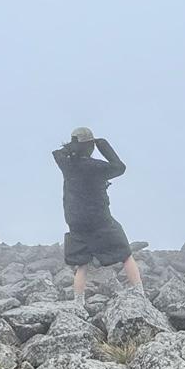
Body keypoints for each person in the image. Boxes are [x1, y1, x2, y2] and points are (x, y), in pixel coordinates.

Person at [52, 126, 143, 303]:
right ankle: (139, 293)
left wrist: (72, 147)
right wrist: (103, 145)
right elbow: (120, 167)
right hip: (100, 219)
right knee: (125, 253)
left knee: (82, 264)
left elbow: (57, 153)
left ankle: (79, 302)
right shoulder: (97, 167)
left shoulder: (67, 165)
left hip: (75, 220)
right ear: (90, 146)